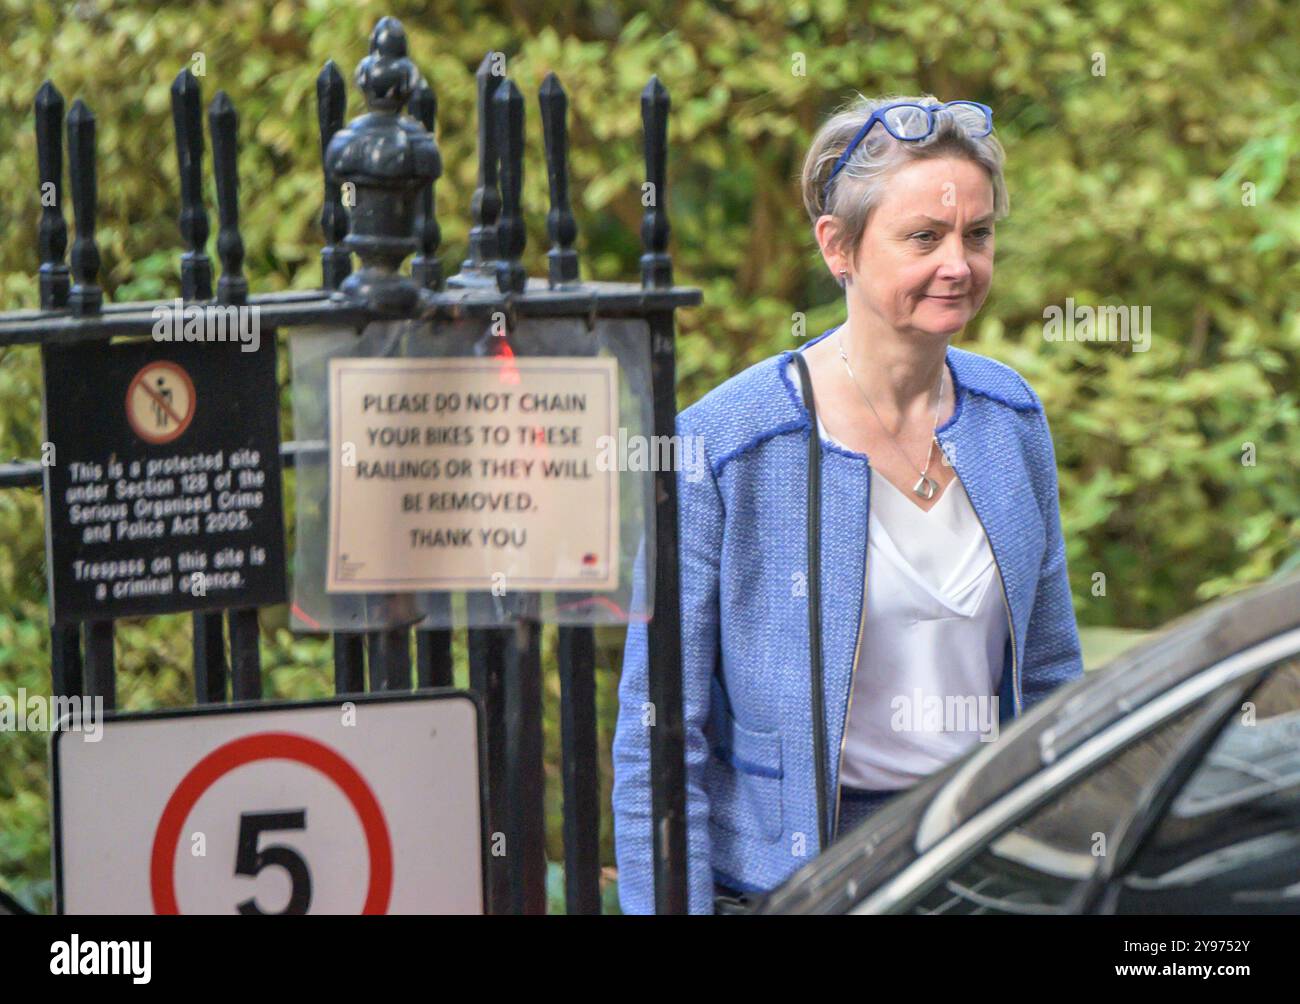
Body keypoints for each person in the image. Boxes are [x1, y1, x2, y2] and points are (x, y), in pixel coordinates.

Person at [612, 95, 1084, 915]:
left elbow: (1049, 681)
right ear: (840, 248)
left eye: (977, 235)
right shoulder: (727, 447)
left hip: (983, 865)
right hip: (795, 885)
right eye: (924, 238)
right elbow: (660, 740)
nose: (959, 264)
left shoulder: (1011, 419)